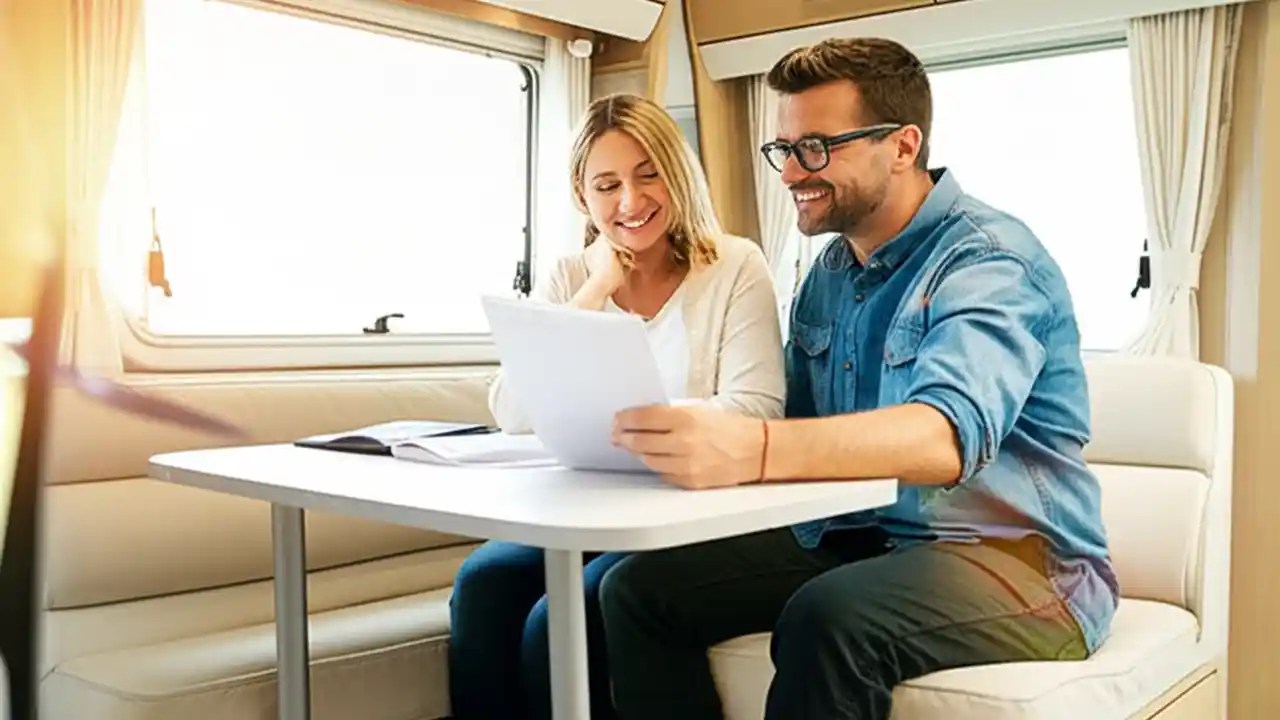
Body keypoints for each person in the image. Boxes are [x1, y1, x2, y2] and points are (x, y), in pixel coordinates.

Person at [604, 37, 1118, 719]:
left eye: (816, 148)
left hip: (1020, 565)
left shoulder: (990, 262)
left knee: (826, 616)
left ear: (903, 146)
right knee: (636, 588)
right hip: (862, 537)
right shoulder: (830, 272)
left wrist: (752, 446)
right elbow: (800, 427)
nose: (791, 172)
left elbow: (943, 439)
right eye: (783, 149)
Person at [449, 93, 787, 720]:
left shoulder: (736, 264)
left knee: (560, 616)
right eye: (607, 184)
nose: (630, 202)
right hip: (592, 505)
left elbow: (757, 407)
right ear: (583, 197)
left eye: (648, 174)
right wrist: (595, 288)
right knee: (484, 583)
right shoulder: (571, 274)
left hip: (689, 509)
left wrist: (638, 424)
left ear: (678, 175)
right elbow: (513, 412)